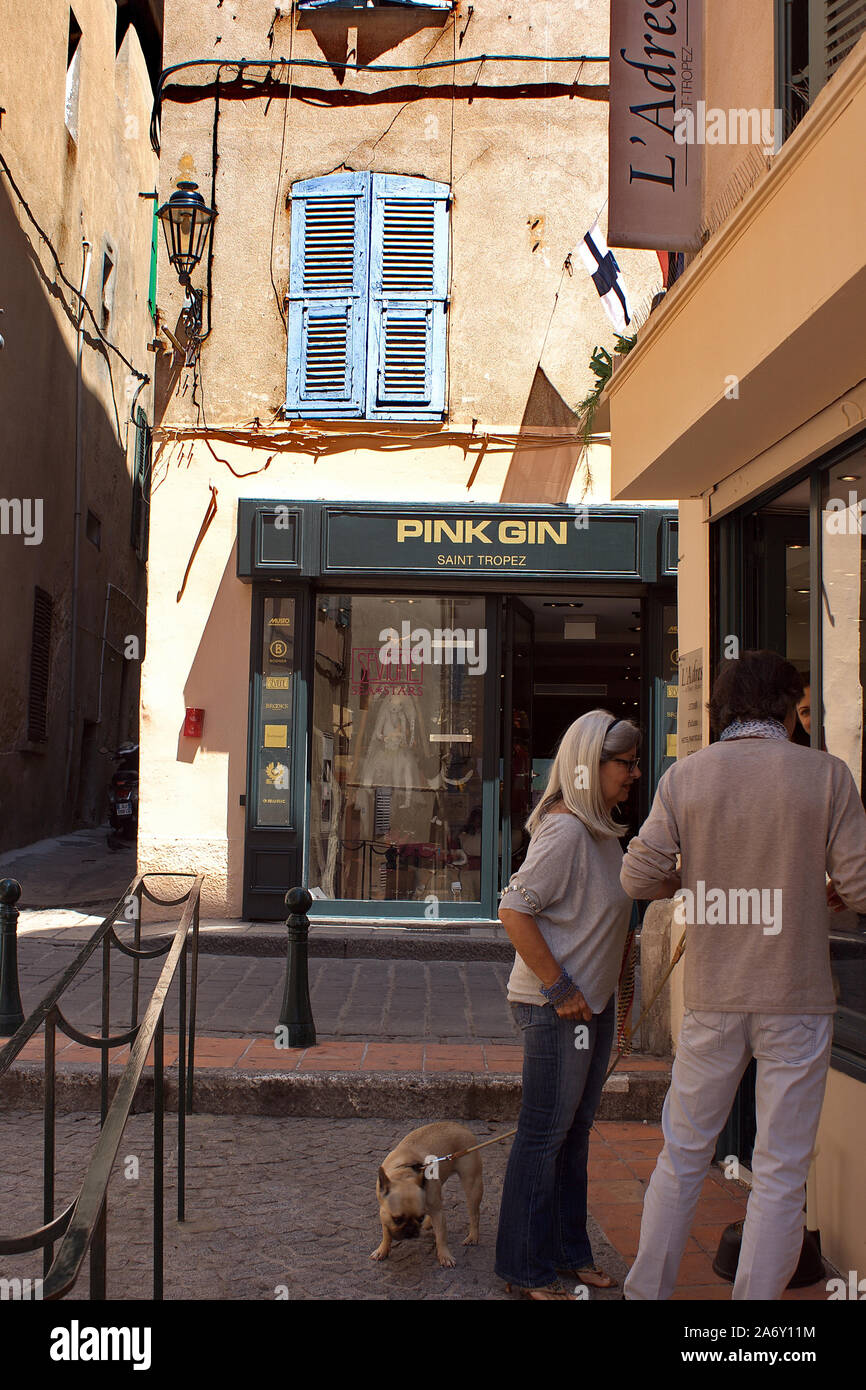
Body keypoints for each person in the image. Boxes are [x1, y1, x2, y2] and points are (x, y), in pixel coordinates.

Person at [621, 649, 866, 1301]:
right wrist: (830, 890)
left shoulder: (687, 776)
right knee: (781, 1171)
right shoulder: (827, 775)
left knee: (682, 1155)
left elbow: (638, 876)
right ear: (787, 709)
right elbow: (862, 883)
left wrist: (700, 876)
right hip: (797, 996)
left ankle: (646, 1293)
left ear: (728, 709)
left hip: (714, 994)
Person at [495, 710, 641, 1300]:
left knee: (573, 1135)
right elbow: (513, 908)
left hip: (590, 1008)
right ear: (589, 765)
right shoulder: (566, 831)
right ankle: (521, 1268)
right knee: (544, 1134)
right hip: (557, 1010)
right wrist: (561, 990)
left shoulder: (602, 829)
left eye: (634, 763)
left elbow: (614, 929)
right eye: (623, 764)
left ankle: (567, 1252)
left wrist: (615, 1006)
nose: (634, 773)